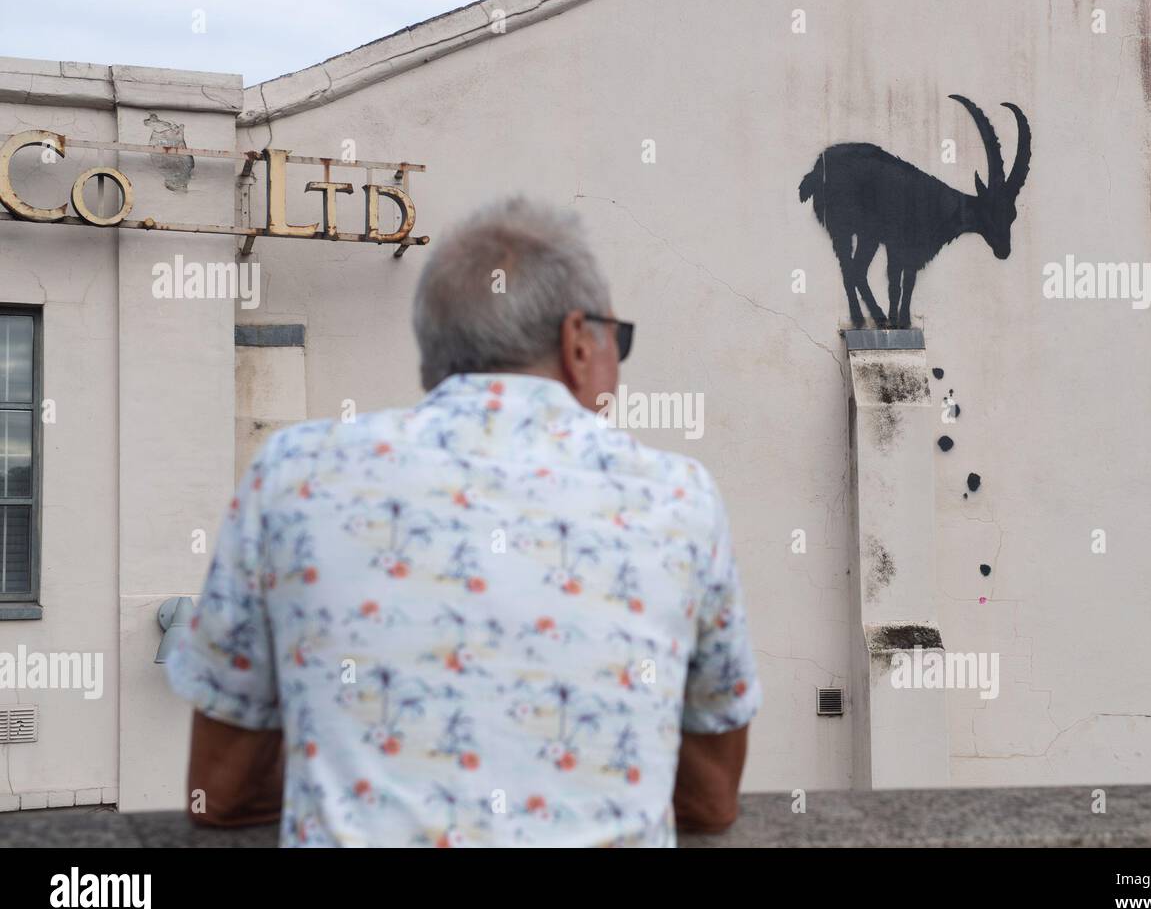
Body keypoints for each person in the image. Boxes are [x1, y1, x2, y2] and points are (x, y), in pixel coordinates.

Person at [167, 196, 761, 846]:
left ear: (435, 355)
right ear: (577, 344)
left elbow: (220, 793)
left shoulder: (290, 473)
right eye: (617, 341)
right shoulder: (679, 499)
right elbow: (709, 801)